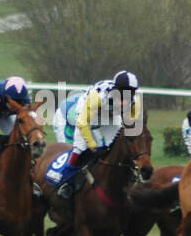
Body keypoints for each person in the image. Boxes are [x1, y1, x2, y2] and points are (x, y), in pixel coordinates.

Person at [57, 70, 141, 200]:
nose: (125, 100)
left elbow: (129, 126)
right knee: (80, 148)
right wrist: (92, 145)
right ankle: (66, 183)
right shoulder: (99, 97)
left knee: (114, 146)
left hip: (111, 115)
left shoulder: (135, 102)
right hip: (88, 112)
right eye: (122, 94)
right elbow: (83, 123)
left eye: (129, 95)